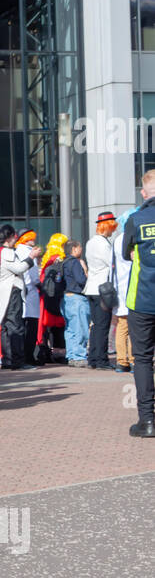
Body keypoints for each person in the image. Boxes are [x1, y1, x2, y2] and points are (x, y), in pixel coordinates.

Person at [122, 168, 155, 437]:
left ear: (144, 193)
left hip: (143, 300)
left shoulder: (135, 219)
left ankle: (147, 420)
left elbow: (126, 254)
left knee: (143, 359)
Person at [0, 224, 38, 370]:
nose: (15, 238)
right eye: (13, 236)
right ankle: (17, 360)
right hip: (11, 291)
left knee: (7, 326)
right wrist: (31, 257)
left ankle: (8, 359)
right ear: (8, 237)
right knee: (15, 326)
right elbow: (19, 268)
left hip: (3, 292)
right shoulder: (6, 252)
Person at [85, 211, 118, 370]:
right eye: (112, 226)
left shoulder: (91, 242)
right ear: (108, 226)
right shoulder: (103, 244)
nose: (113, 230)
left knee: (96, 325)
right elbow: (112, 263)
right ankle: (101, 360)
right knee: (102, 326)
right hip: (102, 289)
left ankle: (93, 358)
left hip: (92, 287)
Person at [35, 232, 68, 365]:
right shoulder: (58, 260)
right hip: (54, 298)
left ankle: (46, 352)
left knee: (47, 328)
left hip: (46, 298)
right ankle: (58, 354)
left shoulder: (47, 260)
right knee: (57, 327)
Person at [113, 210, 135, 373]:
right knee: (135, 326)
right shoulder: (131, 238)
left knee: (122, 326)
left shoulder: (117, 239)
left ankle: (122, 361)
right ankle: (134, 359)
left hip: (119, 286)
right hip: (132, 285)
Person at [62, 239, 90, 366]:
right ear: (74, 249)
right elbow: (81, 280)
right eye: (80, 247)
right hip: (77, 298)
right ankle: (79, 356)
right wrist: (85, 270)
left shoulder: (64, 262)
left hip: (66, 298)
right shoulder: (75, 262)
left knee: (70, 329)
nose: (81, 250)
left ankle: (72, 355)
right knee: (80, 328)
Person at [15, 230, 41, 365]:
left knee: (25, 326)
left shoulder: (19, 250)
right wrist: (38, 285)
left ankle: (26, 356)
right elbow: (32, 274)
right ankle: (28, 357)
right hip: (30, 292)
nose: (34, 240)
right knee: (31, 327)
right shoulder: (28, 252)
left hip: (24, 292)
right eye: (31, 238)